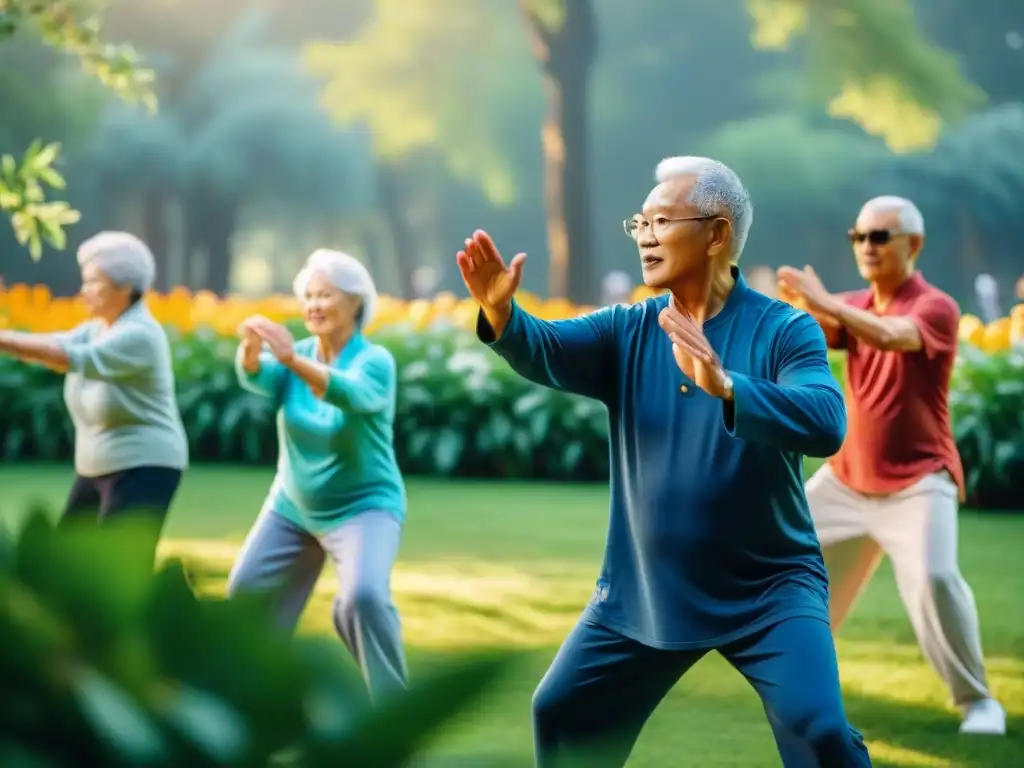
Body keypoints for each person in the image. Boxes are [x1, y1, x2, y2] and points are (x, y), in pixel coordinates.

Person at [457, 157, 871, 767]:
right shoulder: (626, 330)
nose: (645, 236)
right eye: (640, 223)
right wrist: (502, 314)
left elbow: (826, 422)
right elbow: (543, 346)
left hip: (769, 590)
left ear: (717, 234)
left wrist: (727, 385)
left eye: (661, 221)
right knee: (562, 711)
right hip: (644, 591)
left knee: (821, 730)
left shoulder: (786, 330)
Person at [777, 195, 1006, 736]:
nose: (866, 246)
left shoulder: (934, 307)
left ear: (914, 244)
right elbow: (803, 331)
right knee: (775, 553)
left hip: (918, 483)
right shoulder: (852, 304)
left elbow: (892, 335)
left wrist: (823, 300)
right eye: (858, 236)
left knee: (934, 578)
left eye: (880, 236)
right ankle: (799, 682)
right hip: (848, 480)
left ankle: (978, 703)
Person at [227, 248, 407, 702]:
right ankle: (253, 704)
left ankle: (391, 712)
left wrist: (291, 361)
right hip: (292, 507)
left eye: (325, 294)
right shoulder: (299, 355)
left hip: (363, 507)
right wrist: (250, 351)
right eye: (308, 296)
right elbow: (258, 377)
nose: (314, 305)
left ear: (356, 302)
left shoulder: (375, 361)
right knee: (245, 593)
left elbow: (350, 394)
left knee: (362, 599)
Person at [0, 231, 188, 564]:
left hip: (144, 466)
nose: (84, 291)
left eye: (93, 282)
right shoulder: (98, 328)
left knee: (117, 568)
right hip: (94, 469)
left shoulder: (140, 335)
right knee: (64, 563)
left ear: (125, 287)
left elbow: (66, 357)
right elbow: (51, 343)